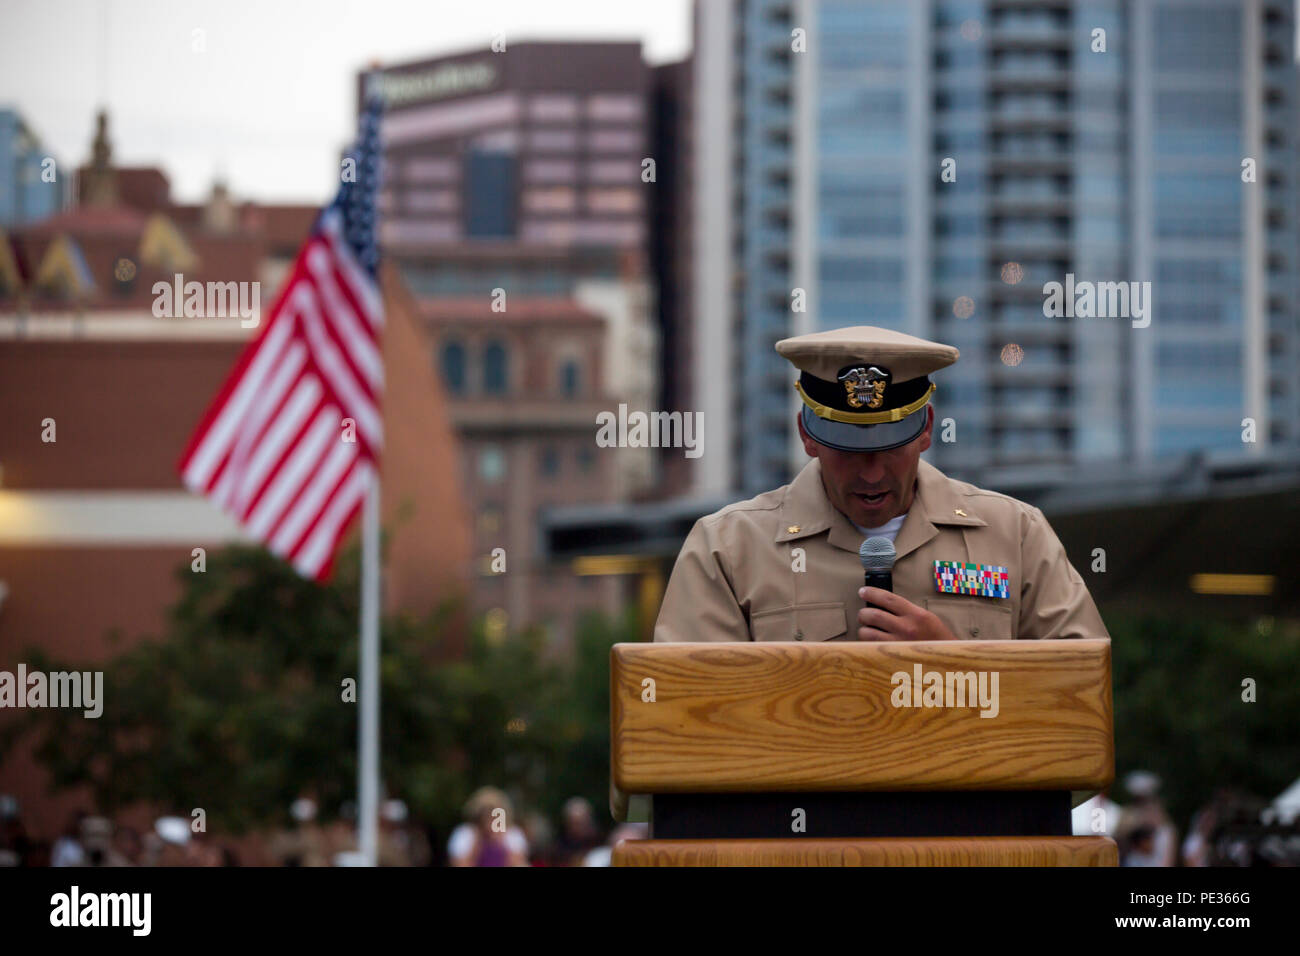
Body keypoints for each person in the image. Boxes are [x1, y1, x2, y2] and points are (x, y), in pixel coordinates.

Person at [654, 326, 1109, 644]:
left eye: (890, 447)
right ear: (807, 435)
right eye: (848, 449)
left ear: (927, 428)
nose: (871, 474)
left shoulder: (1015, 535)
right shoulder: (730, 550)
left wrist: (956, 670)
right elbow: (686, 717)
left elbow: (1080, 698)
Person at [447, 787, 528, 867]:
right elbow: (458, 863)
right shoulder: (466, 833)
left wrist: (500, 842)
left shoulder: (512, 834)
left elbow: (519, 861)